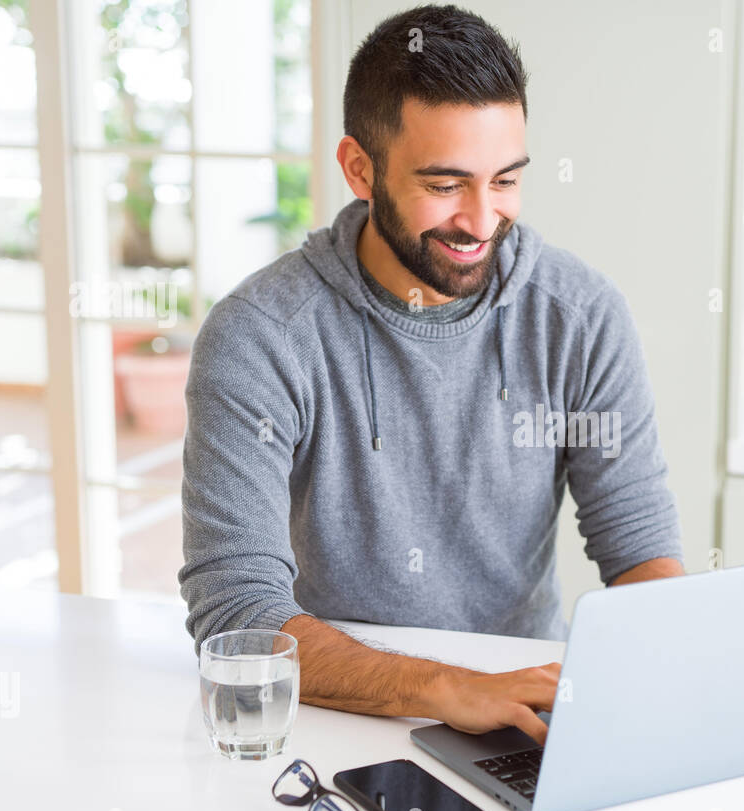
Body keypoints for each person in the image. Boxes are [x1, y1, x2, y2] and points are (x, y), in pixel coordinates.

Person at [178, 4, 684, 747]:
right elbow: (239, 617)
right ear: (360, 169)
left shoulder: (580, 315)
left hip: (522, 715)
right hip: (335, 715)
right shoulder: (260, 336)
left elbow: (639, 549)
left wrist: (683, 667)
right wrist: (446, 688)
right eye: (445, 185)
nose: (482, 221)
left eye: (505, 180)